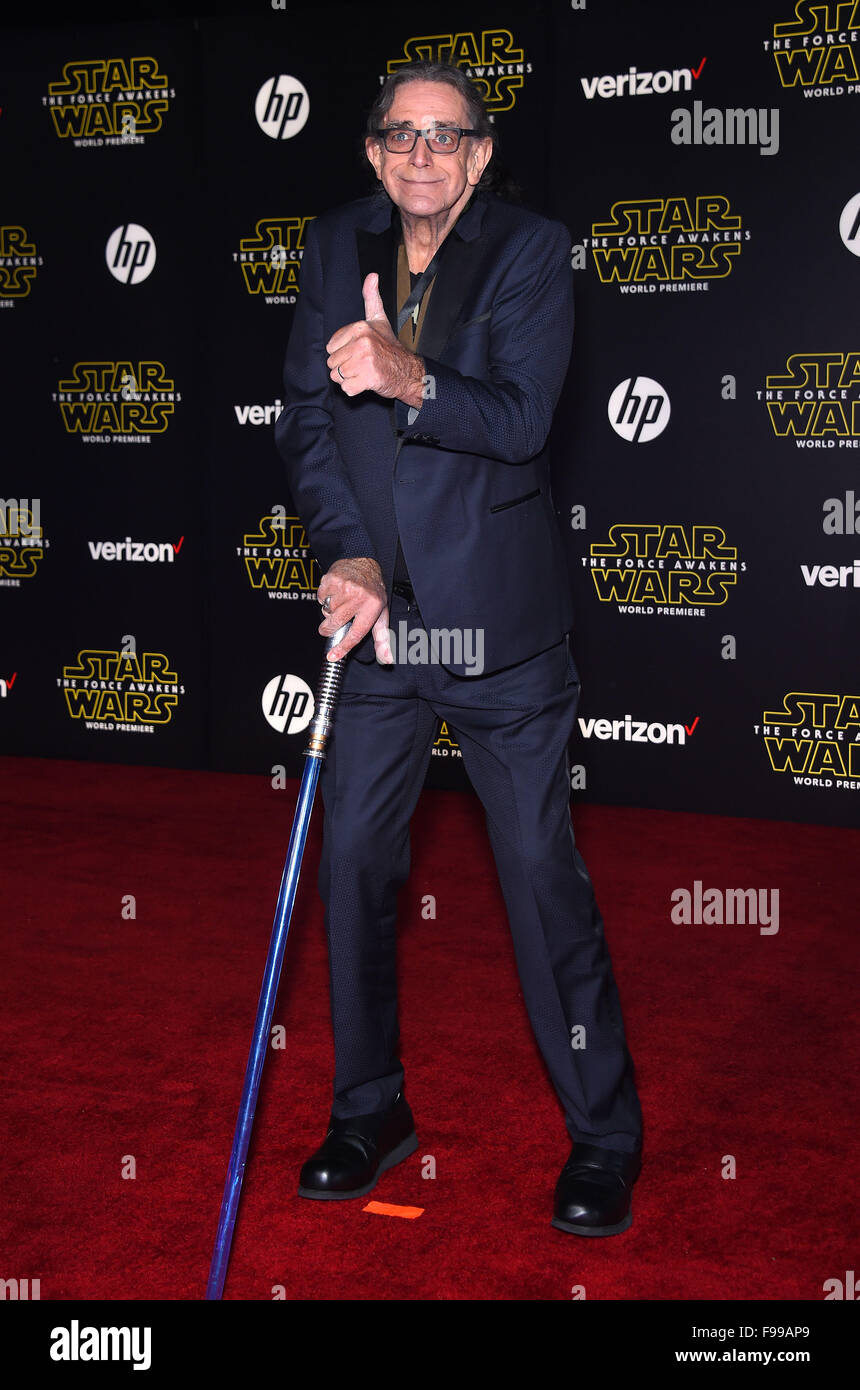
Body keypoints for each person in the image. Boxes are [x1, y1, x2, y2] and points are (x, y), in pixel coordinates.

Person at [274, 61, 643, 1236]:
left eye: (447, 137)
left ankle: (601, 1134)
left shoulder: (532, 253)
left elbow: (524, 418)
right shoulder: (333, 247)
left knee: (540, 883)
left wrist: (410, 375)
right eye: (400, 135)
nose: (422, 154)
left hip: (502, 640)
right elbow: (305, 420)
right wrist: (352, 550)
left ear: (480, 156)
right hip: (381, 630)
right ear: (374, 152)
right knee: (354, 873)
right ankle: (369, 1108)